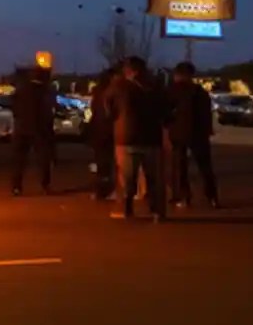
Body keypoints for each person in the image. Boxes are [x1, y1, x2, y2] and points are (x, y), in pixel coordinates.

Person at [105, 56, 167, 221]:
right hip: (152, 137)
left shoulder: (118, 86)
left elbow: (108, 109)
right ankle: (157, 211)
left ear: (128, 70)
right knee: (153, 177)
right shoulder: (155, 86)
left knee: (127, 176)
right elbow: (165, 110)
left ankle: (127, 210)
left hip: (126, 137)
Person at [165, 61, 219, 208]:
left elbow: (166, 112)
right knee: (205, 167)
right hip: (200, 133)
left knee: (179, 167)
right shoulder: (200, 92)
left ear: (178, 74)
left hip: (179, 133)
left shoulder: (172, 91)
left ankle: (183, 197)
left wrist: (167, 125)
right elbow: (207, 114)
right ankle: (212, 197)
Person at [10, 66, 55, 195]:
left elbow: (14, 107)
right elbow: (47, 112)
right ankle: (45, 185)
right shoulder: (44, 92)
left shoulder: (21, 90)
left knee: (19, 159)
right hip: (39, 130)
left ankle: (16, 186)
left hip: (21, 128)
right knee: (43, 158)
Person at [88, 66, 118, 200]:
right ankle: (105, 190)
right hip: (108, 131)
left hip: (98, 132)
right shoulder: (111, 93)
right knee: (108, 163)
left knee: (100, 163)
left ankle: (98, 190)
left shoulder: (97, 93)